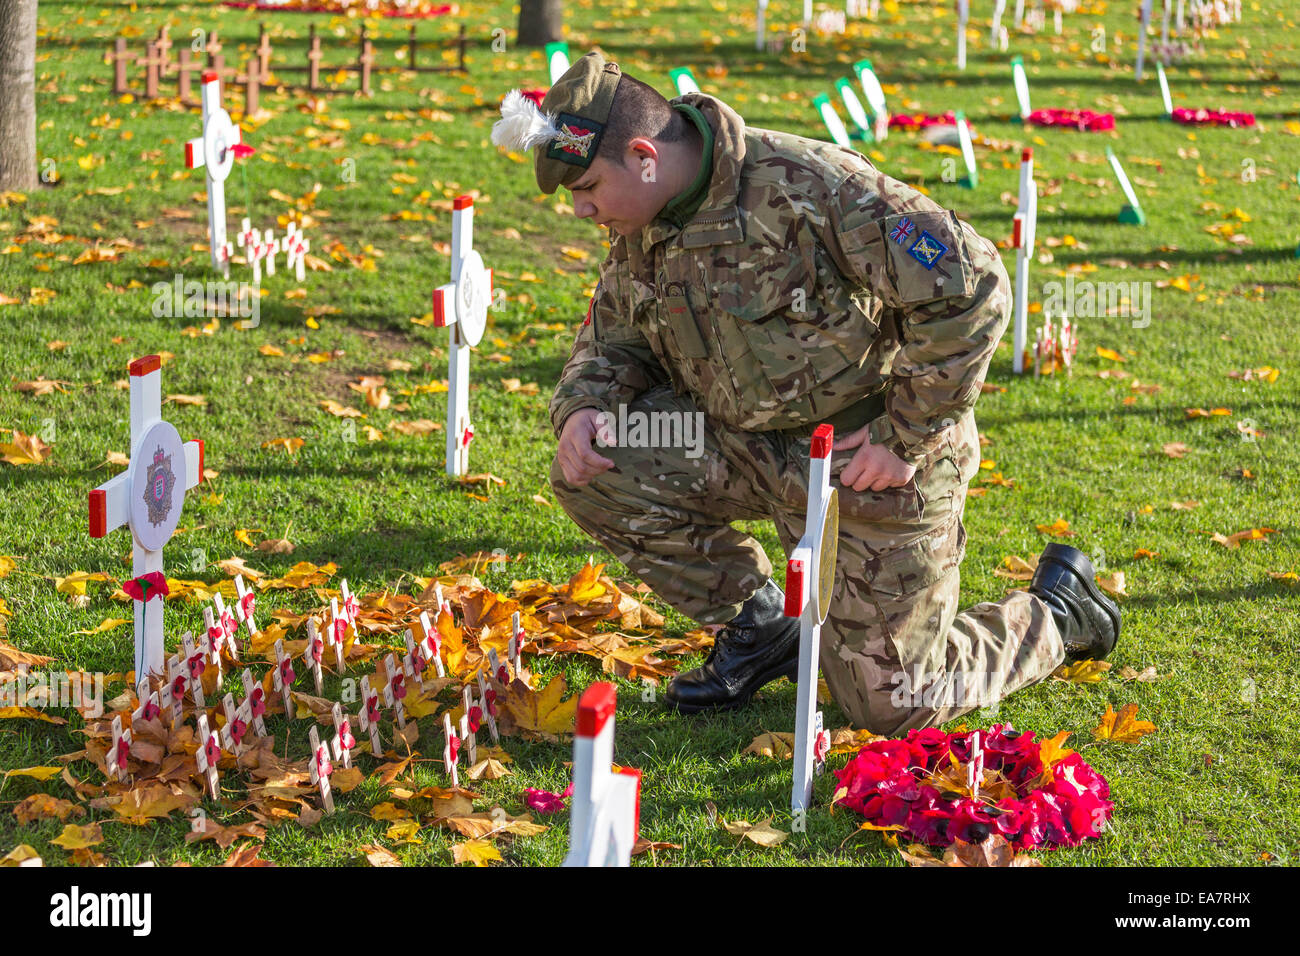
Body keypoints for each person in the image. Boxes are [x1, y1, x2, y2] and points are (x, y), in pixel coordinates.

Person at [490, 51, 1121, 733]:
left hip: (865, 463)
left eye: (586, 187)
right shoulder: (641, 224)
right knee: (596, 469)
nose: (581, 209)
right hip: (738, 444)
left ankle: (1058, 612)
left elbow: (972, 288)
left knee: (893, 704)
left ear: (644, 156)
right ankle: (762, 622)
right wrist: (584, 407)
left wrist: (903, 435)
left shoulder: (809, 186)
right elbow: (615, 340)